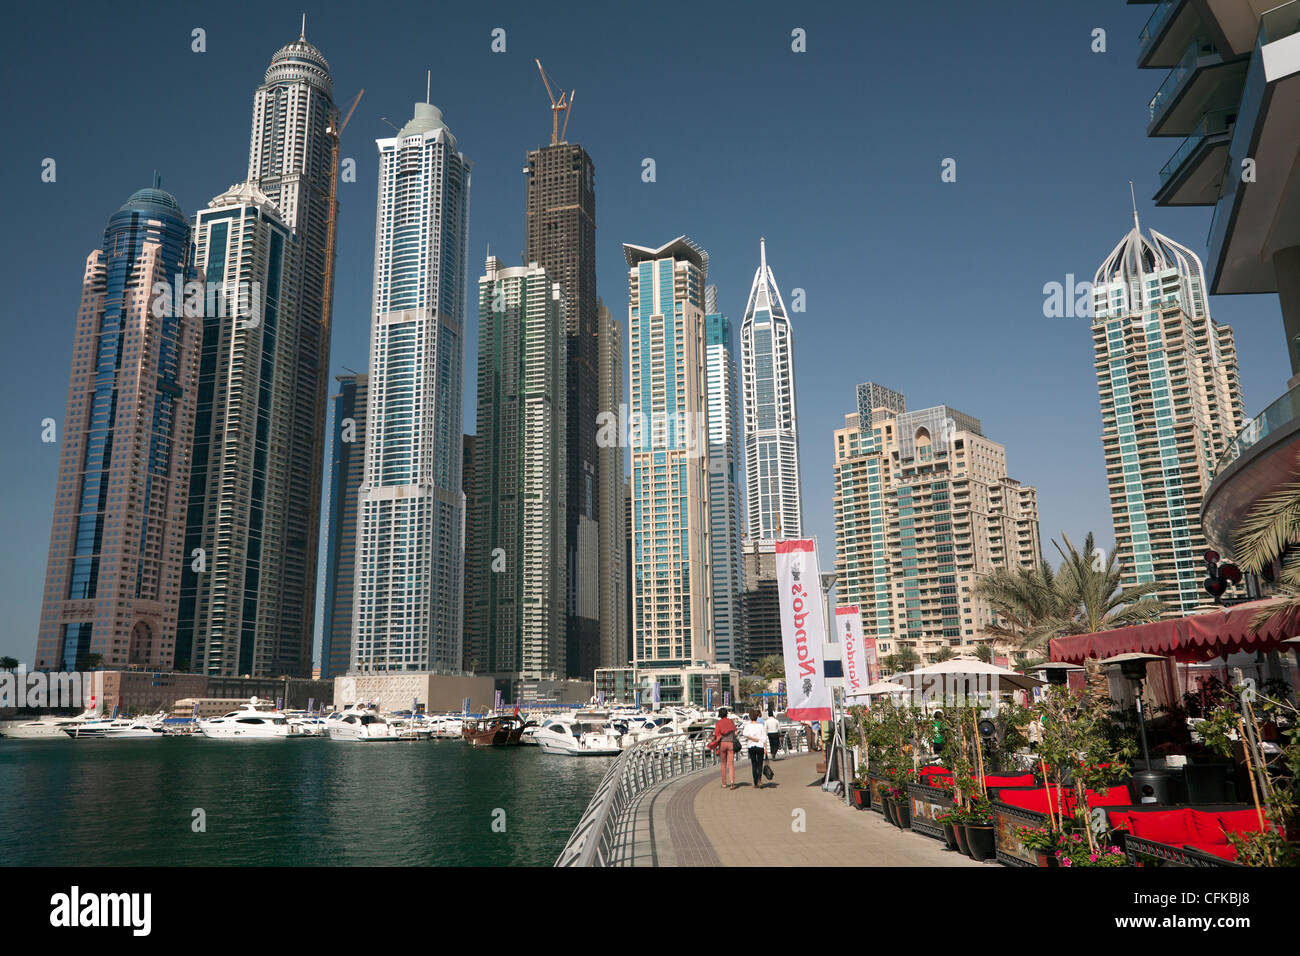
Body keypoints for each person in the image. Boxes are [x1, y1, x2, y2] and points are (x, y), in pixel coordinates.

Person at [709, 707, 738, 789]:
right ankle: (732, 782)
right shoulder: (730, 721)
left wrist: (713, 740)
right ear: (726, 714)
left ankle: (724, 783)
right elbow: (735, 732)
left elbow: (716, 735)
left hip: (722, 744)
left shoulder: (718, 723)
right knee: (731, 764)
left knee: (723, 764)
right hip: (730, 743)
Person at [743, 710, 767, 788]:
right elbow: (764, 738)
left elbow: (744, 734)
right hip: (760, 745)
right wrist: (765, 747)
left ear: (750, 717)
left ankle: (755, 781)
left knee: (754, 764)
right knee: (760, 764)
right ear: (757, 717)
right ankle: (759, 779)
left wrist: (752, 738)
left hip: (751, 746)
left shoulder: (748, 726)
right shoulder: (761, 726)